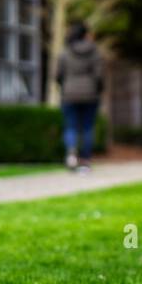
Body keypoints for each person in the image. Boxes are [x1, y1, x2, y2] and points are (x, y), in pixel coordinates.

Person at [54, 22, 104, 172]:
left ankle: (71, 154)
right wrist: (98, 89)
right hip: (90, 95)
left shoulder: (65, 53)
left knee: (71, 126)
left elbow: (58, 75)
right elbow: (99, 76)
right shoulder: (95, 53)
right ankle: (85, 160)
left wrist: (65, 86)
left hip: (69, 94)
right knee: (88, 127)